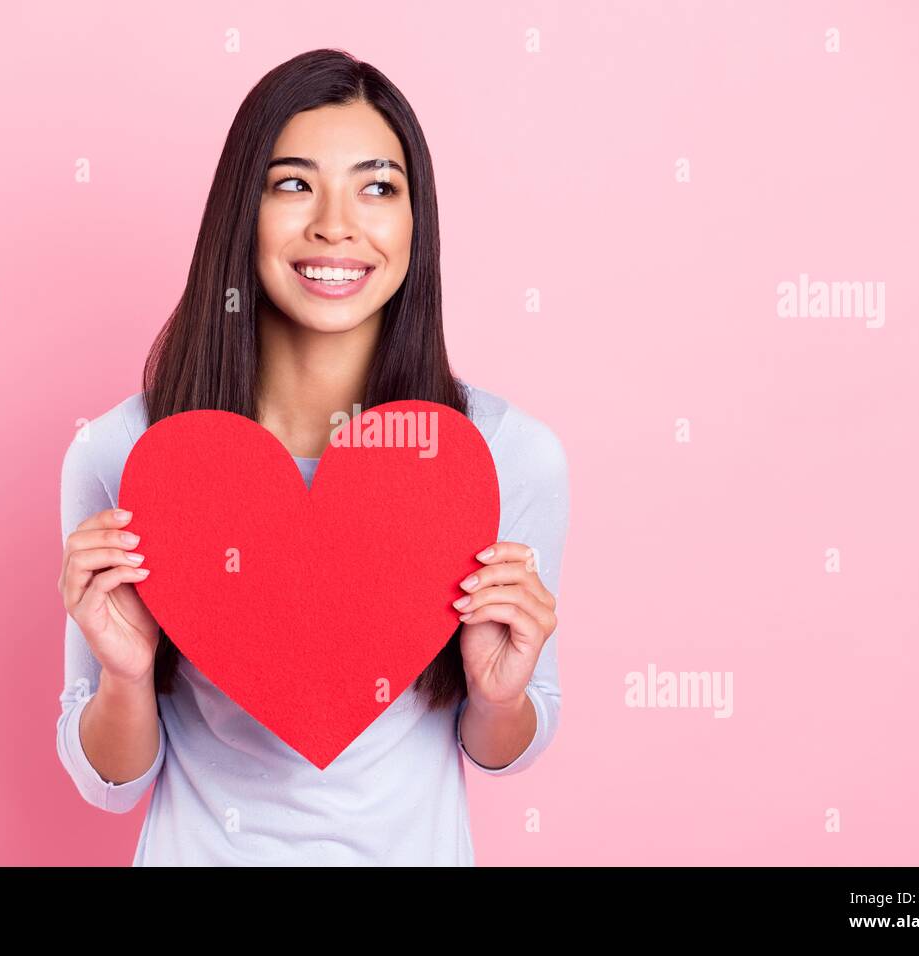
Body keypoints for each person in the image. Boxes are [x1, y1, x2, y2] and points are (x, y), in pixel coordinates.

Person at [56, 48, 569, 865]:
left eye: (377, 187)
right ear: (241, 213)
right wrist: (124, 675)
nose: (337, 224)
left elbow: (500, 745)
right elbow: (109, 781)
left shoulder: (506, 455)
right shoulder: (127, 453)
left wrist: (498, 693)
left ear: (415, 223)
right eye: (293, 183)